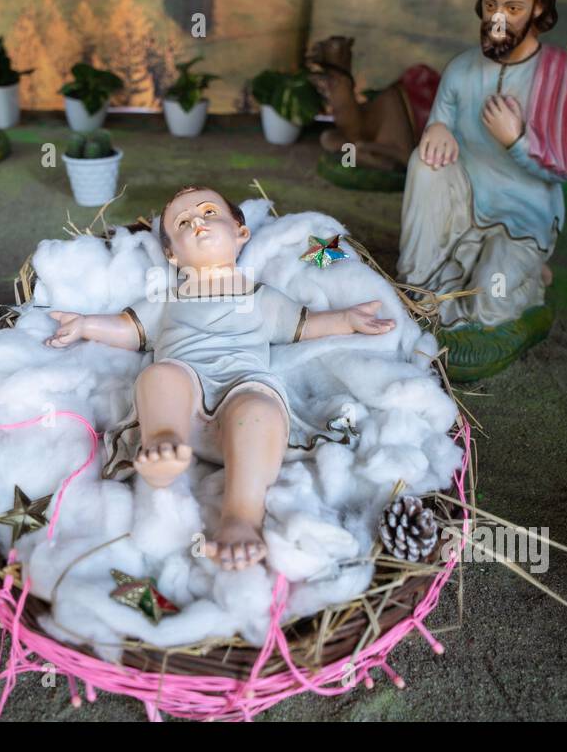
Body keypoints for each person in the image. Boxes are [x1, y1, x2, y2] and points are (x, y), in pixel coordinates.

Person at [44, 186, 395, 571]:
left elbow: (305, 324)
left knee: (259, 410)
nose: (198, 222)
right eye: (183, 222)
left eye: (210, 212)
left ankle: (241, 517)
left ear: (241, 233)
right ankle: (163, 442)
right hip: (184, 403)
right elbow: (129, 330)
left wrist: (346, 319)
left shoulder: (260, 295)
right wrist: (85, 325)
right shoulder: (168, 298)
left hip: (244, 390)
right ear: (172, 254)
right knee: (160, 376)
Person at [397, 0, 567, 329]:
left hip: (521, 219)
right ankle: (417, 283)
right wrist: (437, 129)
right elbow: (441, 128)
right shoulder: (462, 69)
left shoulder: (561, 76)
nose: (497, 19)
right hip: (462, 205)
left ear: (538, 8)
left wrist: (517, 140)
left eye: (513, 9)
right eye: (490, 6)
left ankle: (529, 275)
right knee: (425, 162)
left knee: (488, 309)